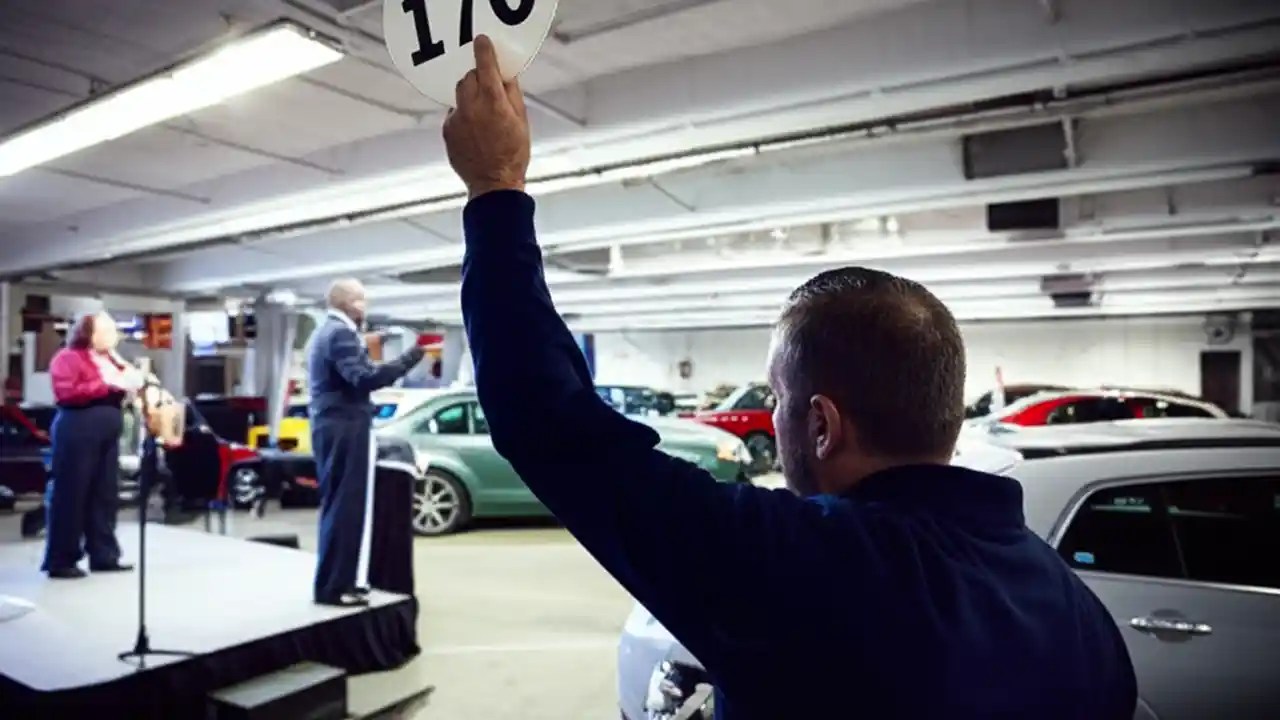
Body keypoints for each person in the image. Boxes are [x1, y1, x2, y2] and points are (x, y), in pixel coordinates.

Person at [443, 37, 1137, 719]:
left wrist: (495, 189)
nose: (773, 417)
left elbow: (549, 424)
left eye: (778, 397)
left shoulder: (808, 567)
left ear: (822, 425)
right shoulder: (1070, 605)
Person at [308, 279, 425, 607]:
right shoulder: (341, 334)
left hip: (331, 426)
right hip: (345, 427)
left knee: (337, 506)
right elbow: (364, 379)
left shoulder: (323, 333)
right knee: (347, 507)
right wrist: (409, 359)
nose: (365, 308)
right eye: (362, 301)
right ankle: (335, 587)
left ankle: (340, 580)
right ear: (348, 303)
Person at [43, 312, 144, 579]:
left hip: (107, 431)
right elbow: (67, 392)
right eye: (107, 330)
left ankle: (104, 554)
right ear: (89, 333)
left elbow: (124, 386)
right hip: (78, 428)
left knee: (104, 494)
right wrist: (106, 384)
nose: (114, 336)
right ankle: (61, 559)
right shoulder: (67, 358)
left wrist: (130, 384)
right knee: (72, 495)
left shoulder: (111, 358)